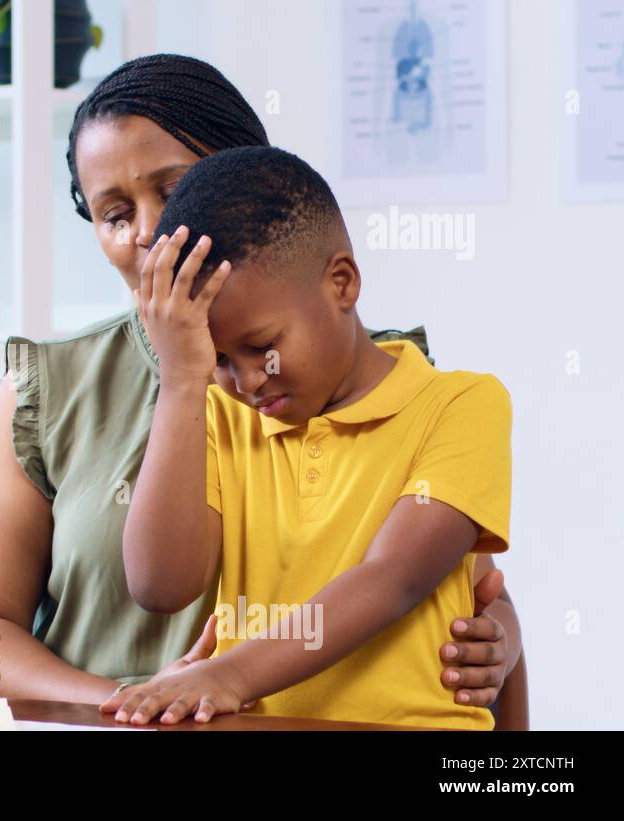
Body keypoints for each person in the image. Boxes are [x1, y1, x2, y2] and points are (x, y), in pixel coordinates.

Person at [0, 54, 523, 722]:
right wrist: (142, 704)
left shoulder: (376, 376)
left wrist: (501, 635)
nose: (150, 234)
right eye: (114, 213)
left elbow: (437, 581)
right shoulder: (65, 386)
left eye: (174, 190)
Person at [104, 145, 511, 729]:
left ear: (341, 283)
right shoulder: (216, 414)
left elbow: (392, 579)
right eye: (218, 358)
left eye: (260, 345)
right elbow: (159, 585)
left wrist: (227, 675)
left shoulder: (462, 405)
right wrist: (180, 383)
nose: (246, 380)